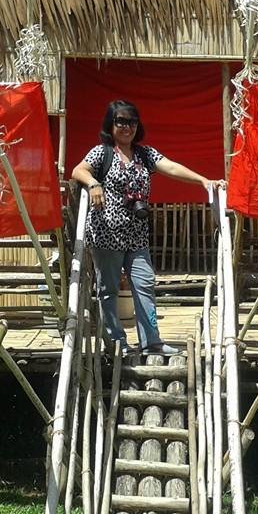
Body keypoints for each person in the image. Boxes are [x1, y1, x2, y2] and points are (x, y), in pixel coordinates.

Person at [72, 99, 222, 358]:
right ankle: (116, 342)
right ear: (111, 124)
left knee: (145, 284)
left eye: (131, 122)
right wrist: (94, 183)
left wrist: (202, 180)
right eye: (120, 121)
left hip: (137, 236)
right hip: (106, 233)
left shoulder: (145, 154)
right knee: (108, 290)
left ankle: (151, 341)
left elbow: (172, 167)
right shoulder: (102, 152)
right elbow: (79, 170)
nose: (126, 127)